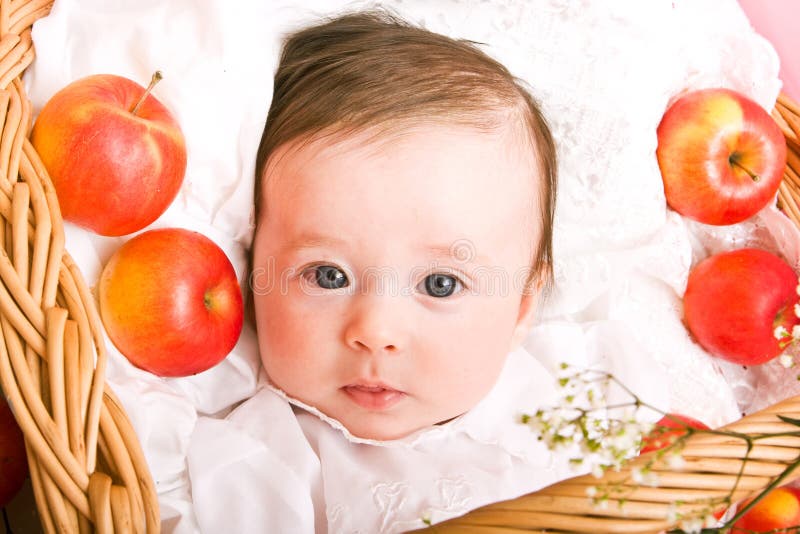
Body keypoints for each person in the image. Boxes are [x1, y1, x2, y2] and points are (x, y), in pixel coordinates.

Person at [187, 8, 575, 533]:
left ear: (523, 307)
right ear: (253, 270)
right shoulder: (256, 466)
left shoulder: (585, 395)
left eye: (440, 284)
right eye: (328, 275)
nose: (375, 333)